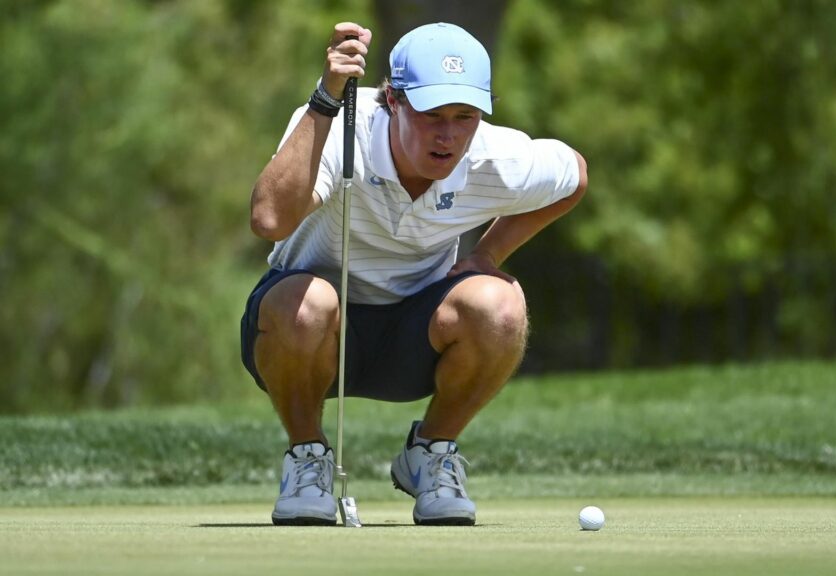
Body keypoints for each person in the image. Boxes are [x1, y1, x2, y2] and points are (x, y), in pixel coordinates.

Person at [241, 21, 587, 526]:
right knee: (309, 303)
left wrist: (489, 255)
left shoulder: (494, 156)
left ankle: (430, 452)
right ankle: (307, 458)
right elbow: (268, 220)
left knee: (500, 304)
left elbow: (573, 176)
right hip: (308, 335)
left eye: (464, 116)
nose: (448, 134)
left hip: (413, 341)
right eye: (432, 115)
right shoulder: (337, 128)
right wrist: (325, 98)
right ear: (393, 101)